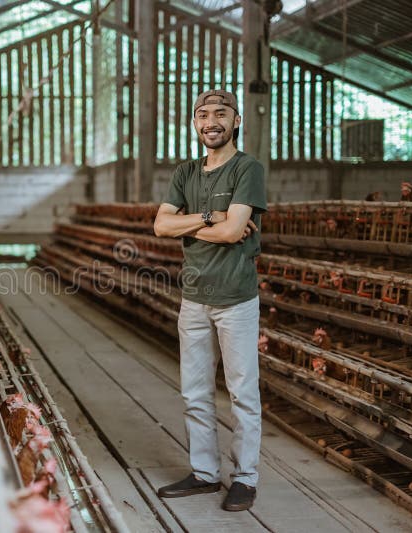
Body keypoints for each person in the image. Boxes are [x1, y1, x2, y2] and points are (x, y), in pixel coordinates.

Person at [153, 89, 267, 512]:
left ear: (236, 121)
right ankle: (204, 474)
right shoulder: (186, 172)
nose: (210, 121)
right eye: (202, 115)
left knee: (241, 393)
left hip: (235, 298)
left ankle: (245, 478)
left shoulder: (247, 168)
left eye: (220, 113)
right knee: (195, 391)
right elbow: (159, 226)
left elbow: (233, 232)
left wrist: (197, 226)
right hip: (194, 297)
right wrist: (207, 217)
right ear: (194, 124)